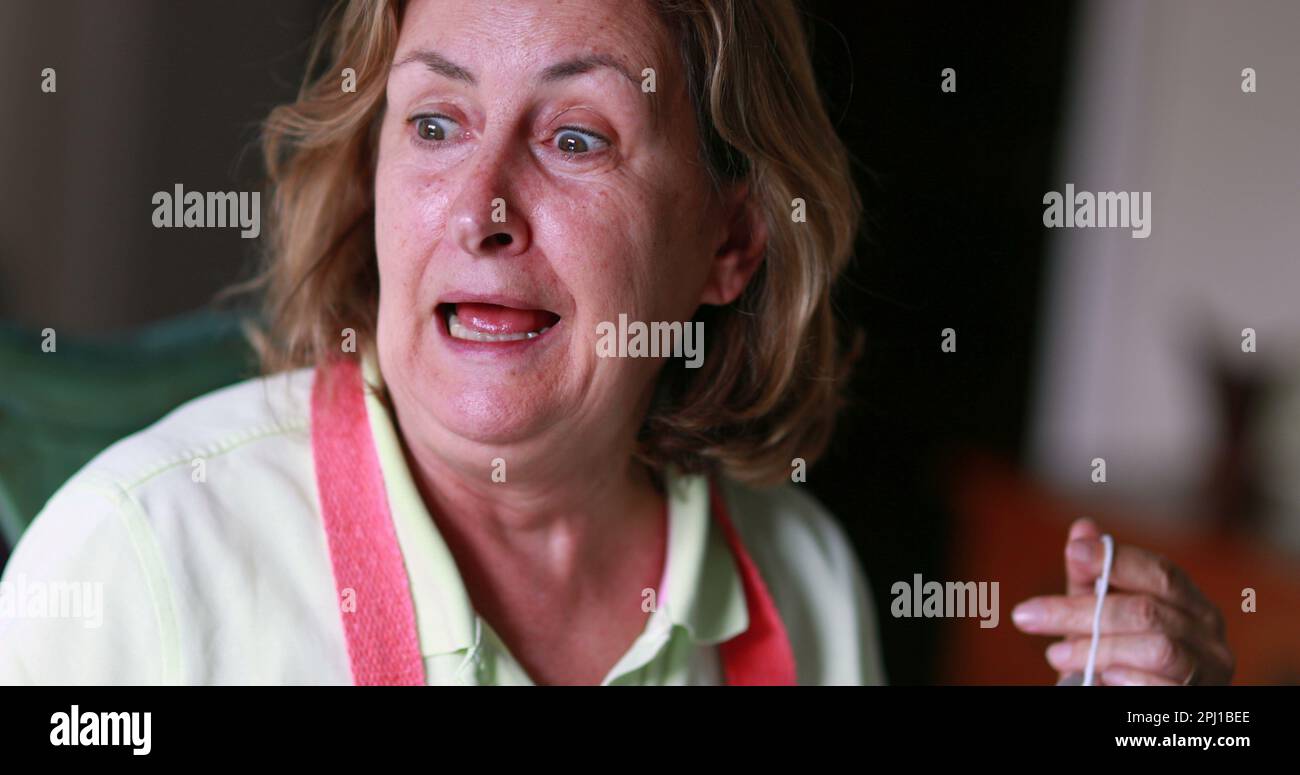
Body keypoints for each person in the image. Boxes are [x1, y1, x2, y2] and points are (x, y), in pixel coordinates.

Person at [0, 0, 1230, 686]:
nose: (480, 209)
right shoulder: (138, 565)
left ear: (729, 242)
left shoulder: (801, 585)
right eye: (434, 122)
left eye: (575, 138)